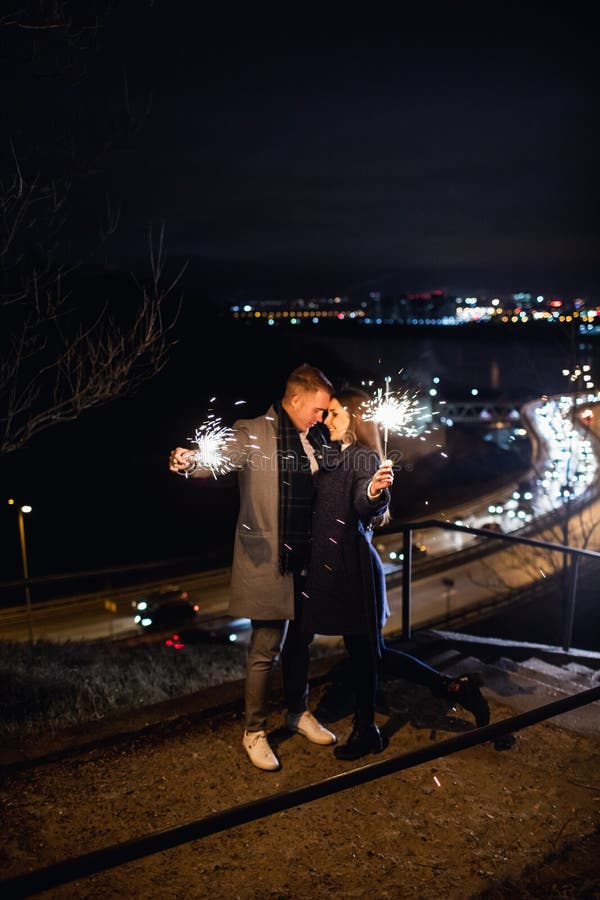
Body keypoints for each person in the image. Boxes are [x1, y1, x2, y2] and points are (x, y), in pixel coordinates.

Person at [303, 386, 490, 761]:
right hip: (339, 569)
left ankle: (367, 729)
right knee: (371, 653)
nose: (328, 419)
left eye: (335, 413)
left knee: (367, 655)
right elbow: (328, 469)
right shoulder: (339, 455)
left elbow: (364, 499)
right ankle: (454, 688)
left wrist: (375, 492)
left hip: (355, 570)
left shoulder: (364, 457)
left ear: (355, 421)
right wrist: (316, 436)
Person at [169, 364, 337, 771]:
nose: (322, 416)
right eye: (316, 408)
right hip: (270, 561)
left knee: (301, 644)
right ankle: (255, 731)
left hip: (308, 560)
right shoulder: (251, 431)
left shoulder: (317, 435)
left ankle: (298, 713)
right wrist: (190, 463)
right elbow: (219, 461)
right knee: (265, 650)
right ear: (295, 399)